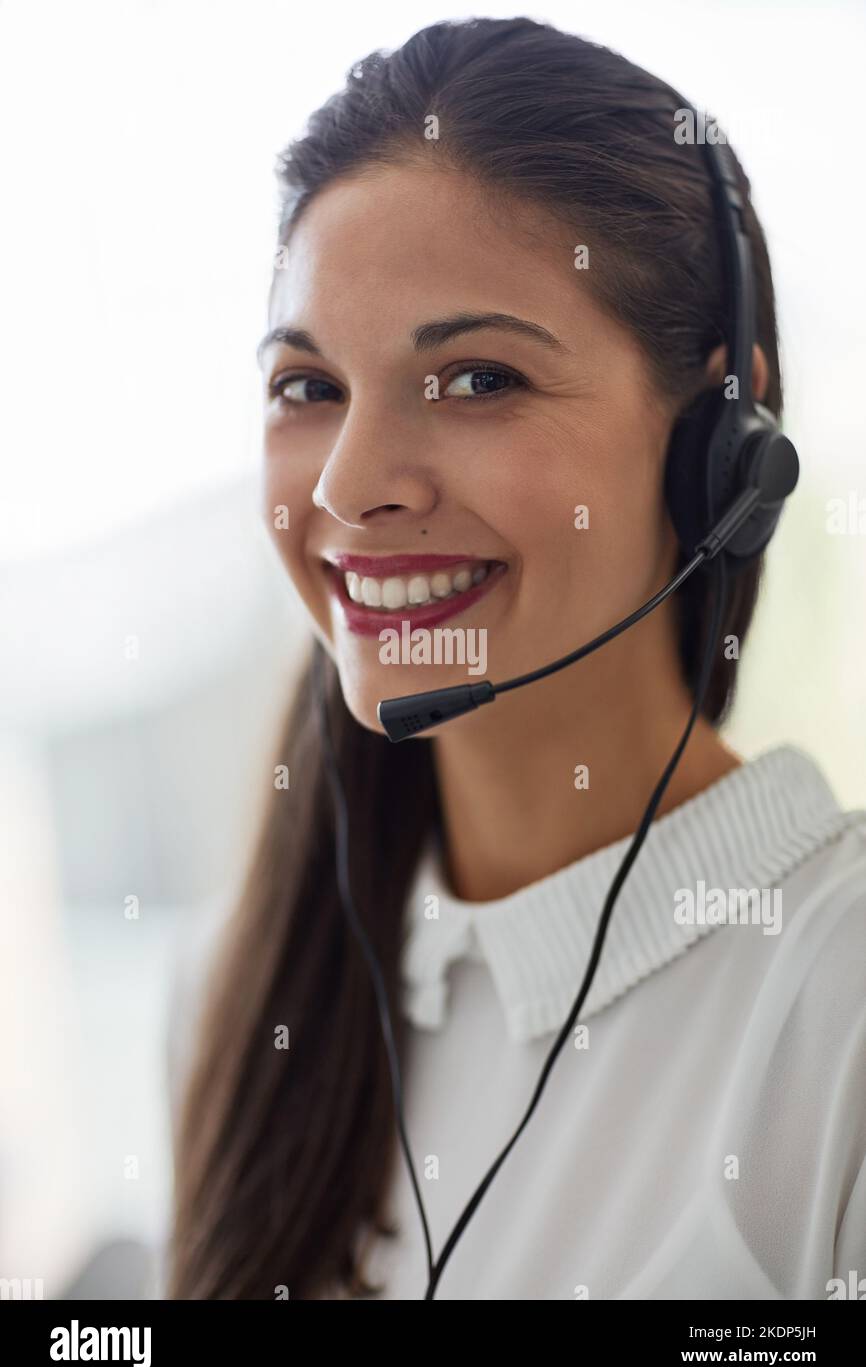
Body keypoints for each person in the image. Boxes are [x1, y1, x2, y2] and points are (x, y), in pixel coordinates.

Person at [166, 16, 866, 1300]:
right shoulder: (234, 991)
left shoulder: (836, 998)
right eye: (307, 386)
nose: (350, 483)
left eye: (476, 378)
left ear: (719, 450)